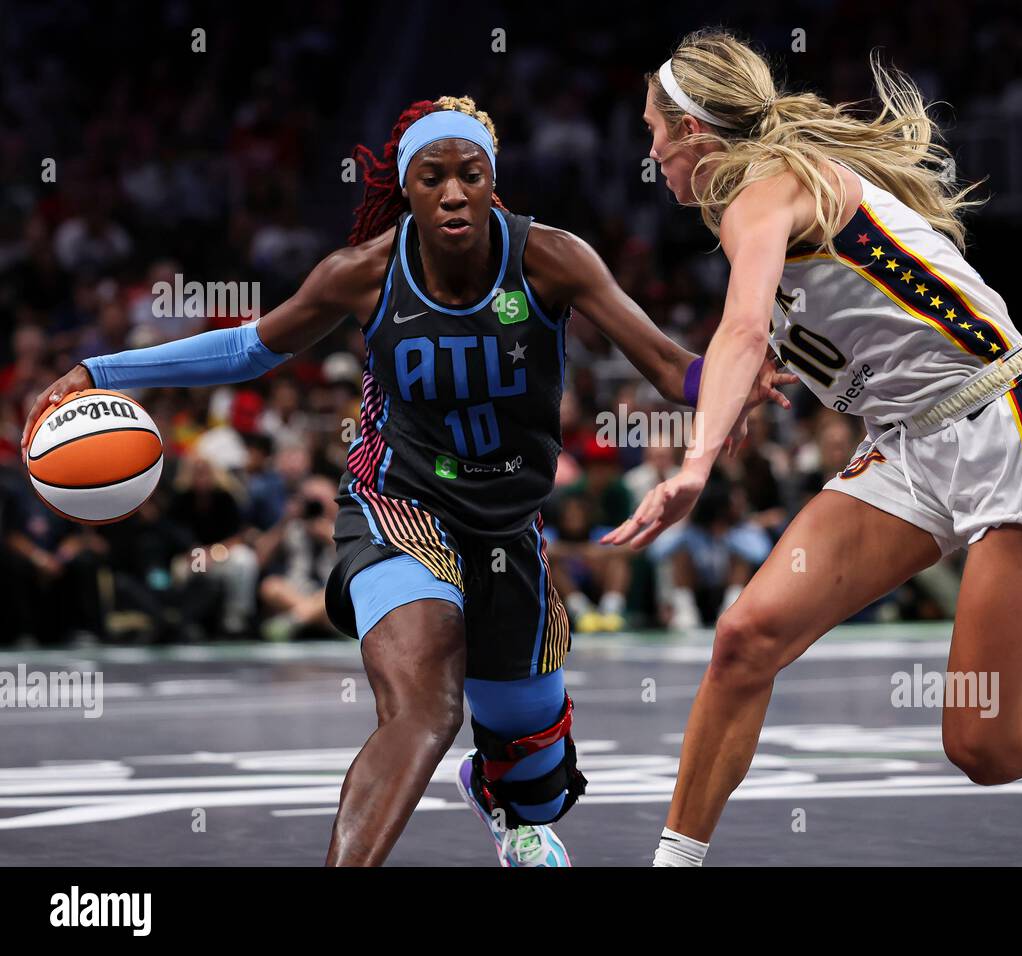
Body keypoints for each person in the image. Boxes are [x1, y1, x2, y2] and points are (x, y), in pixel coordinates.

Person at [22, 94, 791, 867]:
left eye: (471, 174)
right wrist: (101, 367)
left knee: (540, 783)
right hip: (398, 508)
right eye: (433, 178)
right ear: (408, 190)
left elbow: (666, 365)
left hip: (505, 527)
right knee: (425, 708)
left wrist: (727, 383)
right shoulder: (363, 273)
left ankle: (501, 796)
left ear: (494, 181)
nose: (454, 192)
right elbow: (249, 351)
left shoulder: (552, 258)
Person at [599, 30, 1022, 866]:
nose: (651, 151)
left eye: (653, 130)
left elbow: (741, 327)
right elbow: (796, 331)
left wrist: (695, 462)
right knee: (747, 637)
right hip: (908, 450)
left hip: (1006, 424)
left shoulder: (767, 188)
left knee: (985, 746)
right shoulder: (764, 205)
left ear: (695, 131)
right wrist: (756, 374)